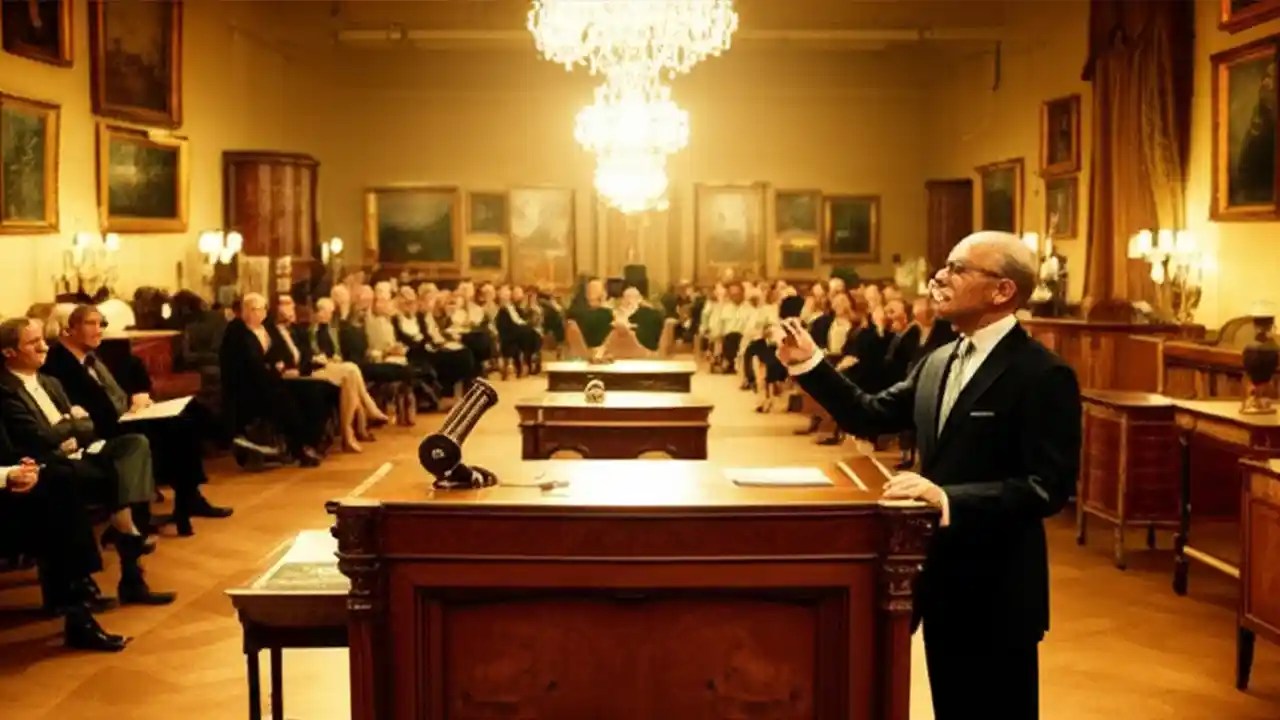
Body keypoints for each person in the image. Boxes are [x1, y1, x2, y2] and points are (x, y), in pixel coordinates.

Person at [774, 231, 1081, 720]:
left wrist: (948, 497)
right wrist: (810, 364)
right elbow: (870, 414)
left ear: (1002, 291)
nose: (940, 278)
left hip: (998, 587)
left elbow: (1048, 487)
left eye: (958, 269)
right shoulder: (938, 361)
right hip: (939, 579)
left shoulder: (1042, 374)